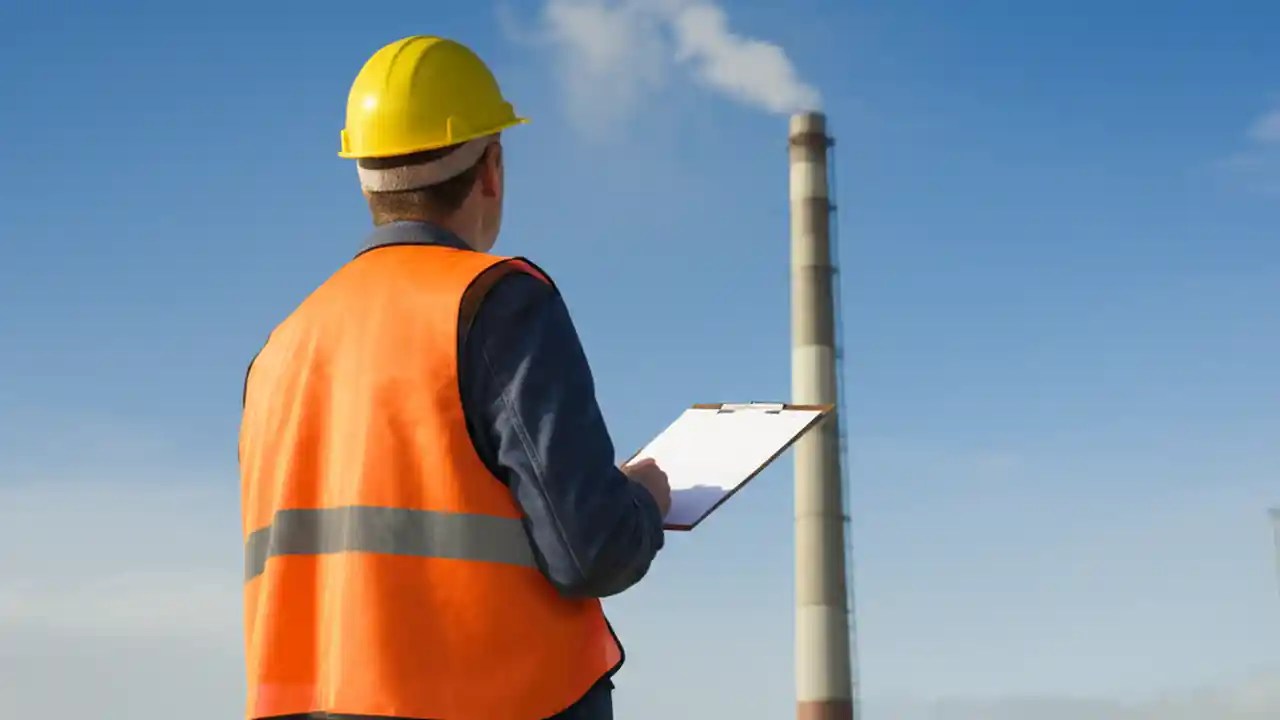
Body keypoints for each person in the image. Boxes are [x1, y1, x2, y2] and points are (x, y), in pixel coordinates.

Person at [237, 35, 671, 720]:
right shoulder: (497, 303)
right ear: (491, 168)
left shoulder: (279, 350)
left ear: (364, 176)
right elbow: (593, 551)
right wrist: (644, 497)